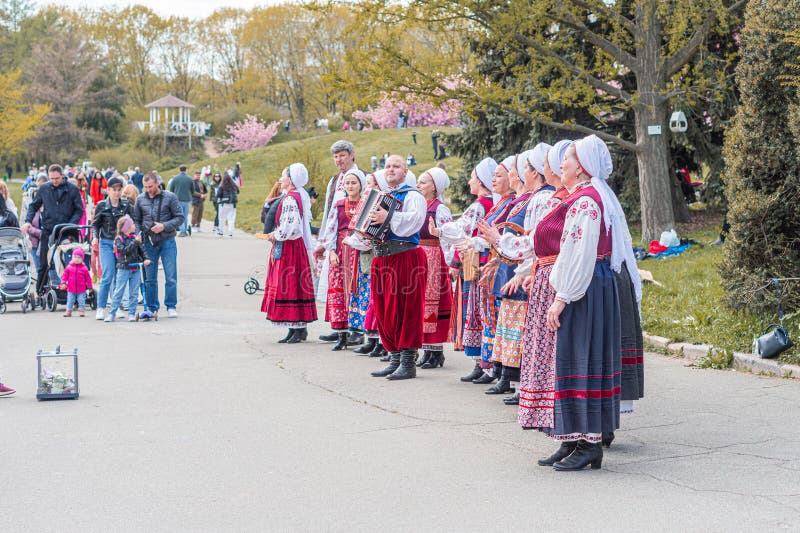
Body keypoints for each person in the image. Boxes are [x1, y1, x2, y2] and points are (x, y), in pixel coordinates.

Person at [532, 135, 623, 471]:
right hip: (591, 285)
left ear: (583, 167)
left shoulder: (586, 202)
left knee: (582, 358)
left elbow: (577, 255)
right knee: (575, 357)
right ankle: (573, 439)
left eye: (568, 159)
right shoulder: (587, 197)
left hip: (584, 288)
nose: (563, 165)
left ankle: (588, 443)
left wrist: (561, 298)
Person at [479, 145, 555, 401]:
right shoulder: (532, 199)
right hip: (519, 265)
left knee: (525, 331)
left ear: (532, 173)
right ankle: (513, 379)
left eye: (519, 169)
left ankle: (524, 384)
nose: (516, 174)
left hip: (529, 268)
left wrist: (519, 268)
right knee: (517, 329)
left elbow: (534, 241)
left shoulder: (541, 199)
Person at [348, 155, 428, 380]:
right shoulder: (382, 196)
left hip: (405, 256)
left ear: (405, 171)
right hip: (381, 258)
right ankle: (394, 358)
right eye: (388, 166)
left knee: (407, 309)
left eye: (396, 166)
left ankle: (408, 362)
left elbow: (415, 222)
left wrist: (389, 215)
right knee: (385, 311)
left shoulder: (413, 196)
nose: (391, 170)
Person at [438, 158, 496, 380]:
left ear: (480, 181)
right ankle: (484, 362)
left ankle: (482, 362)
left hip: (475, 263)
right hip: (482, 262)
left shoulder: (480, 205)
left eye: (473, 176)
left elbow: (463, 232)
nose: (470, 180)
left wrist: (454, 261)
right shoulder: (491, 204)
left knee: (475, 311)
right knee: (482, 312)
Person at [260, 163, 318, 343]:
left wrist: (274, 235)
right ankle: (296, 328)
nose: (280, 179)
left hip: (290, 247)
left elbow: (291, 228)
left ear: (291, 181)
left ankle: (297, 327)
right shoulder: (291, 196)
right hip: (290, 246)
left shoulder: (291, 199)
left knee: (291, 284)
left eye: (283, 176)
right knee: (292, 284)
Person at [316, 140, 364, 345]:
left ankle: (356, 329)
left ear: (351, 155)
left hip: (355, 240)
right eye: (336, 156)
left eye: (342, 155)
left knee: (353, 283)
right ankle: (339, 326)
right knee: (336, 283)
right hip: (336, 240)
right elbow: (329, 212)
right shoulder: (335, 180)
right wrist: (324, 242)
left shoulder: (362, 176)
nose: (339, 160)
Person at [21, 164, 84, 298]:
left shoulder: (72, 189)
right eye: (52, 178)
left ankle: (74, 289)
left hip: (67, 230)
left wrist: (70, 224)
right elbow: (33, 206)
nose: (54, 181)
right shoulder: (44, 189)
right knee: (44, 263)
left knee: (70, 261)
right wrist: (27, 221)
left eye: (57, 178)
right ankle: (40, 291)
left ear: (62, 176)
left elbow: (79, 209)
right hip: (49, 230)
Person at [415, 167, 454, 369]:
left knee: (435, 302)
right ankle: (427, 348)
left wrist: (449, 262)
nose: (418, 185)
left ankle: (436, 350)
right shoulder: (421, 206)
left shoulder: (440, 209)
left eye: (423, 182)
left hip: (435, 257)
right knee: (422, 301)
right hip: (421, 257)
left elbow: (449, 236)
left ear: (434, 187)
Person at [133, 172, 184, 319]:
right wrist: (138, 233)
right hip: (148, 242)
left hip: (167, 240)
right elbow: (136, 219)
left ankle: (171, 306)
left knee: (171, 276)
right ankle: (152, 307)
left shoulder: (170, 197)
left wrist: (164, 226)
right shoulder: (140, 199)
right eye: (145, 187)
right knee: (150, 278)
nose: (148, 189)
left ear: (157, 183)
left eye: (150, 186)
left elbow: (180, 217)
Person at [91, 176, 134, 320]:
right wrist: (95, 237)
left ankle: (116, 307)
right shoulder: (102, 206)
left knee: (119, 276)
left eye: (119, 189)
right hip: (106, 243)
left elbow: (134, 221)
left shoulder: (126, 205)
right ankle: (101, 307)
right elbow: (95, 224)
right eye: (113, 190)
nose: (116, 192)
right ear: (108, 190)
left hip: (121, 243)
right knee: (108, 275)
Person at [107, 215, 150, 322]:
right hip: (124, 268)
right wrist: (136, 241)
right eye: (131, 224)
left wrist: (146, 258)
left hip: (135, 268)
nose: (134, 226)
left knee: (134, 292)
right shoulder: (119, 239)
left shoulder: (135, 237)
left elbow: (142, 250)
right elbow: (124, 250)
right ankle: (112, 313)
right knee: (119, 291)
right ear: (126, 228)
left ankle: (131, 313)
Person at [60, 247, 92, 317]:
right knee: (70, 300)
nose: (77, 259)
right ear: (72, 257)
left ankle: (81, 310)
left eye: (79, 257)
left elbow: (88, 279)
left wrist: (90, 287)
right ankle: (68, 311)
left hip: (81, 289)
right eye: (75, 257)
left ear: (82, 259)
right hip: (71, 289)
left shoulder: (84, 268)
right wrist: (63, 282)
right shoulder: (69, 267)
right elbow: (64, 276)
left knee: (81, 300)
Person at [168, 165, 194, 237]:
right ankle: (184, 230)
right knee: (185, 215)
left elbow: (171, 190)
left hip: (177, 199)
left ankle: (182, 231)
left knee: (179, 215)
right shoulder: (190, 179)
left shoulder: (175, 179)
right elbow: (193, 190)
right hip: (187, 199)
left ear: (179, 170)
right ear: (186, 170)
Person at [216, 173, 239, 238]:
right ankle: (230, 233)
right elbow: (238, 191)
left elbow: (218, 195)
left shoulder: (222, 185)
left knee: (221, 218)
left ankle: (220, 232)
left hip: (223, 204)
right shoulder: (234, 185)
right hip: (232, 205)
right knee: (231, 219)